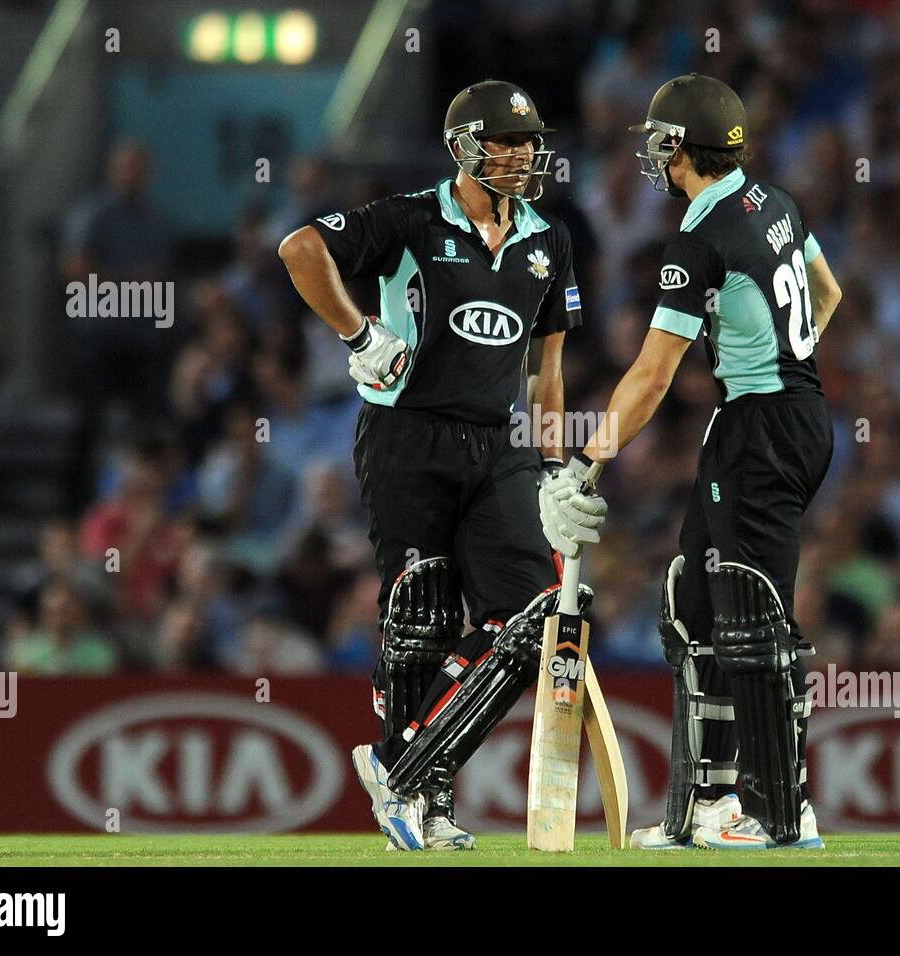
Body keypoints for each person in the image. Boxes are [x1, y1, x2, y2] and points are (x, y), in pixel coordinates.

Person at [279, 80, 584, 851]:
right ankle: (429, 801)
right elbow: (301, 249)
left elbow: (547, 374)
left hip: (500, 443)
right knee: (421, 615)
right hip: (406, 433)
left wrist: (555, 470)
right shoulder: (409, 217)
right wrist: (358, 335)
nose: (519, 156)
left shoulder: (549, 239)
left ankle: (403, 767)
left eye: (526, 142)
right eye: (502, 142)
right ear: (461, 149)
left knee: (541, 615)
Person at [541, 74, 842, 850]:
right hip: (781, 414)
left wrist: (587, 464)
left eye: (657, 140)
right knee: (696, 603)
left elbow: (651, 373)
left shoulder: (703, 232)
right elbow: (827, 291)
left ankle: (782, 810)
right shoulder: (773, 200)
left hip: (761, 424)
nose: (652, 153)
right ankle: (711, 804)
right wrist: (778, 360)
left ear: (679, 145)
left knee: (753, 617)